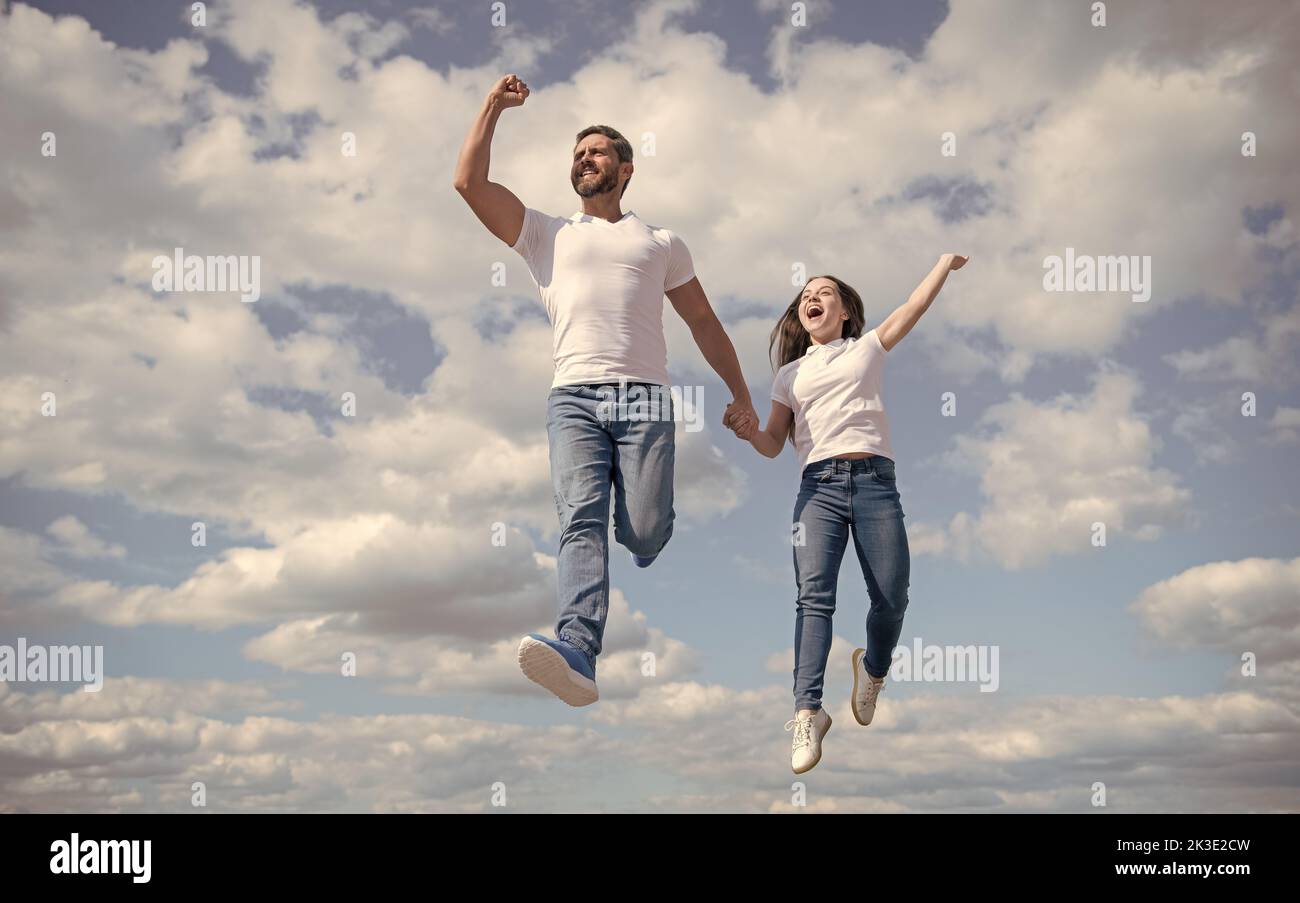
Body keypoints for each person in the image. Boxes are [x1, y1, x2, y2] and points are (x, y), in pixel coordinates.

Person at [453, 75, 758, 706]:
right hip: (574, 400)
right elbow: (469, 185)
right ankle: (579, 649)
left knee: (643, 532)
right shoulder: (545, 234)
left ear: (624, 167)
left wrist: (740, 394)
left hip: (644, 399)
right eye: (576, 154)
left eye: (595, 151)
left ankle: (646, 534)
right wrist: (492, 106)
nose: (582, 160)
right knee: (579, 521)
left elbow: (702, 321)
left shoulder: (661, 243)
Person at [724, 256, 969, 772]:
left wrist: (943, 264)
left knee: (892, 597)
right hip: (819, 490)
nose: (811, 298)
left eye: (824, 292)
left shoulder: (867, 349)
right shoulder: (789, 375)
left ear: (845, 313)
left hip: (877, 485)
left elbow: (914, 306)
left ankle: (872, 671)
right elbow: (773, 444)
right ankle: (807, 712)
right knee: (814, 598)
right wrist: (750, 431)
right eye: (805, 295)